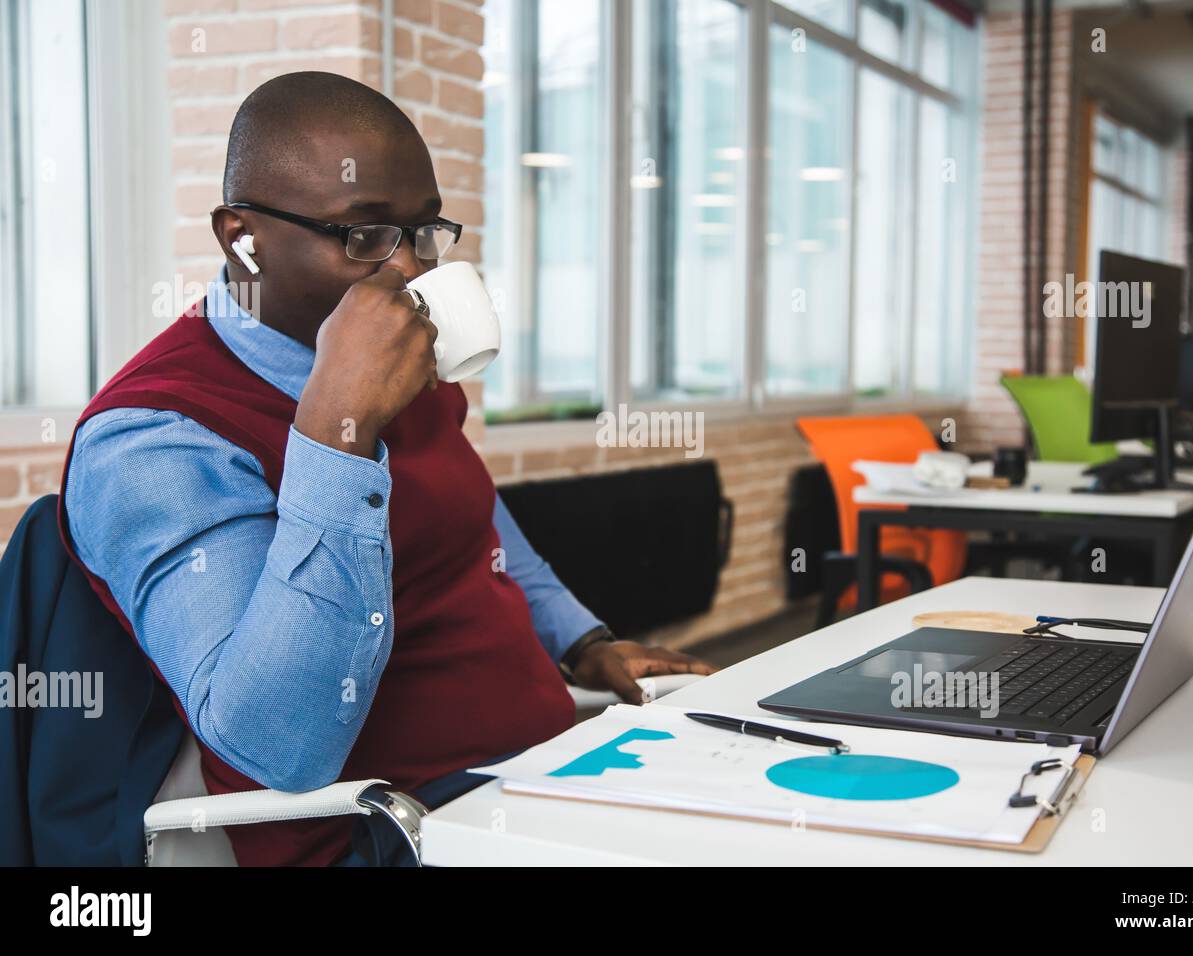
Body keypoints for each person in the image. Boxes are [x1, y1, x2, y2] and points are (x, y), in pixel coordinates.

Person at [60, 71, 715, 866]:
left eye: (424, 233)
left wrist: (583, 640)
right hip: (388, 830)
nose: (408, 272)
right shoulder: (154, 438)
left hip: (539, 773)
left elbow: (479, 524)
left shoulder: (400, 357)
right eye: (365, 236)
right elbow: (279, 745)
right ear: (243, 238)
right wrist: (338, 431)